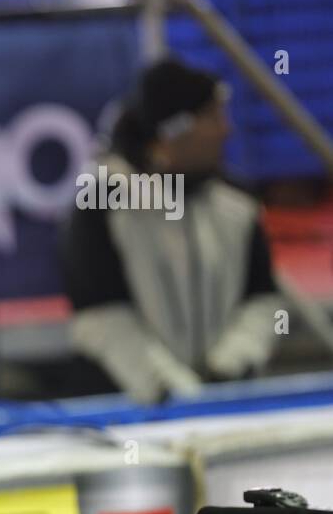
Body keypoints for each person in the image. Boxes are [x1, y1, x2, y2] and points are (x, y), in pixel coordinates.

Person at [63, 58, 286, 403]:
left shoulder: (236, 203)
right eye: (212, 117)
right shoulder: (103, 204)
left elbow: (262, 299)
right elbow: (101, 316)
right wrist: (170, 391)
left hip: (226, 405)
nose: (226, 130)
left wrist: (229, 367)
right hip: (133, 417)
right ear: (174, 131)